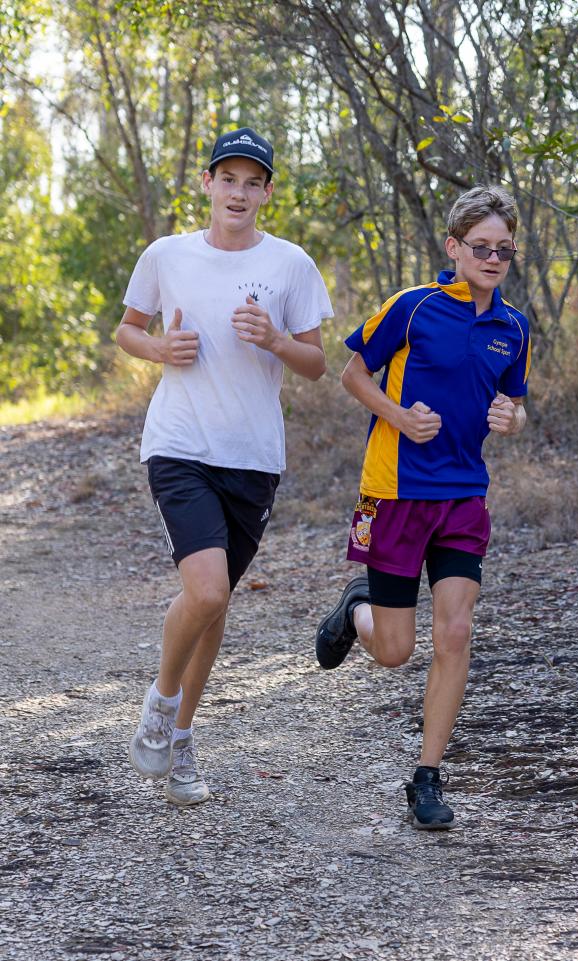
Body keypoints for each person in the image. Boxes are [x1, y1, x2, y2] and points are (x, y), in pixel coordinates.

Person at [117, 127, 332, 806]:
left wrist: (274, 338)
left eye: (253, 181)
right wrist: (160, 349)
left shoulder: (291, 263)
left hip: (253, 458)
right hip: (179, 444)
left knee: (216, 607)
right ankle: (160, 700)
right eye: (228, 178)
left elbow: (319, 361)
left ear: (267, 192)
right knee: (206, 591)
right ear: (207, 184)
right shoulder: (166, 255)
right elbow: (126, 328)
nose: (239, 191)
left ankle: (181, 739)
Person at [315, 185, 530, 830]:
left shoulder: (512, 327)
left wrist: (511, 418)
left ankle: (427, 776)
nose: (492, 259)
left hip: (464, 493)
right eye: (480, 247)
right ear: (454, 248)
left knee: (457, 631)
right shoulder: (412, 308)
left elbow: (512, 404)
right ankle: (358, 609)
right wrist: (399, 418)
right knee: (394, 652)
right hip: (396, 491)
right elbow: (352, 373)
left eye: (504, 250)